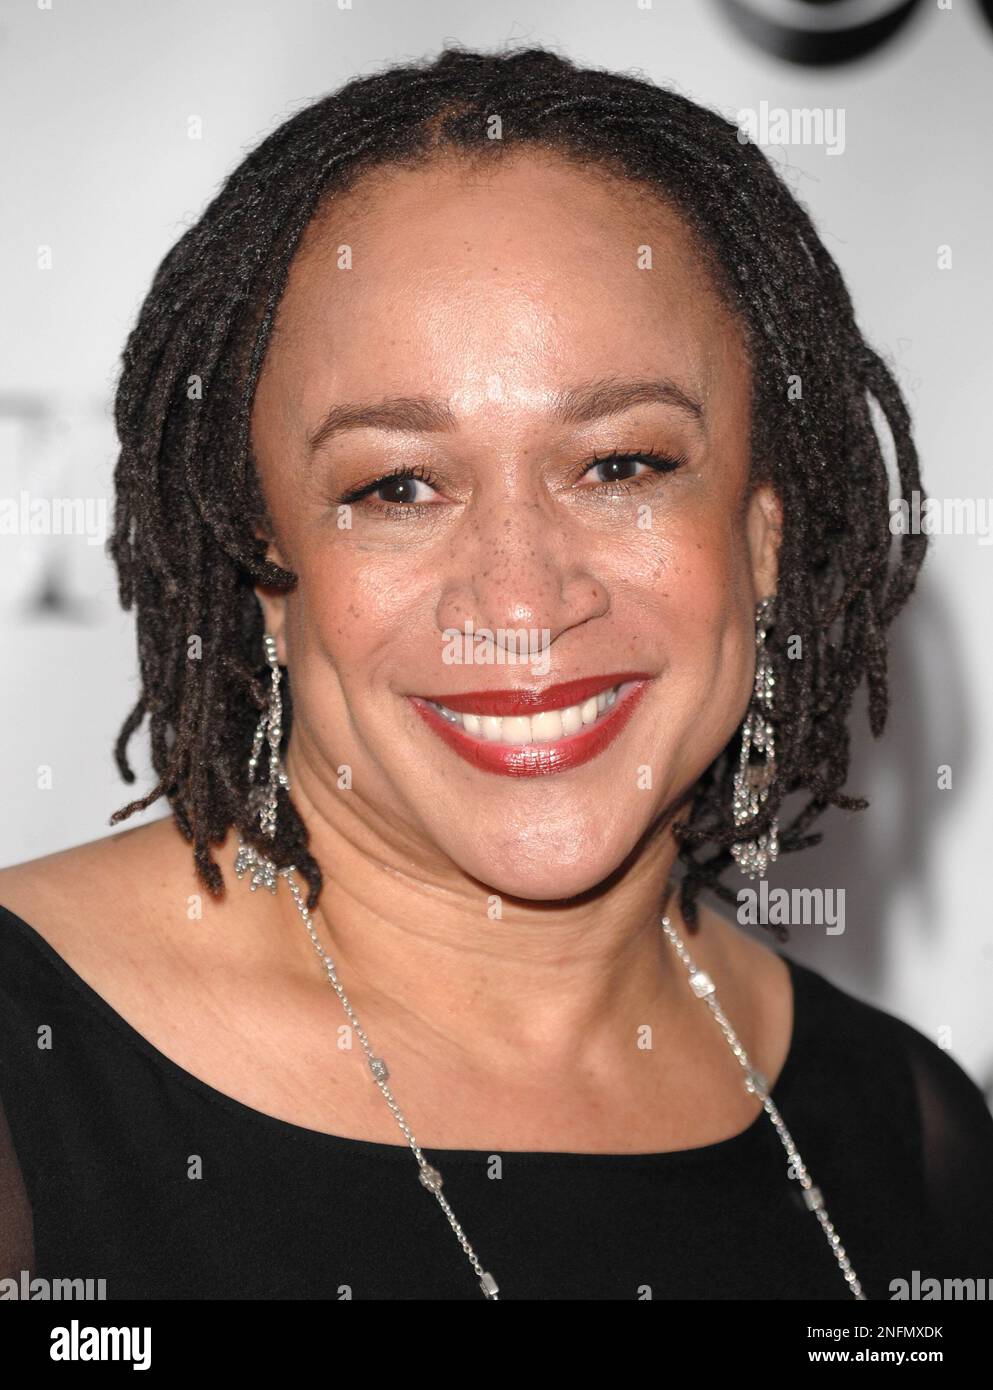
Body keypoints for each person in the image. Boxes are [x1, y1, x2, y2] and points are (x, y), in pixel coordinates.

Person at [1, 43, 991, 1303]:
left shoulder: (902, 1125)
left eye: (622, 464)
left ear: (762, 537)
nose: (521, 599)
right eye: (395, 486)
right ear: (266, 569)